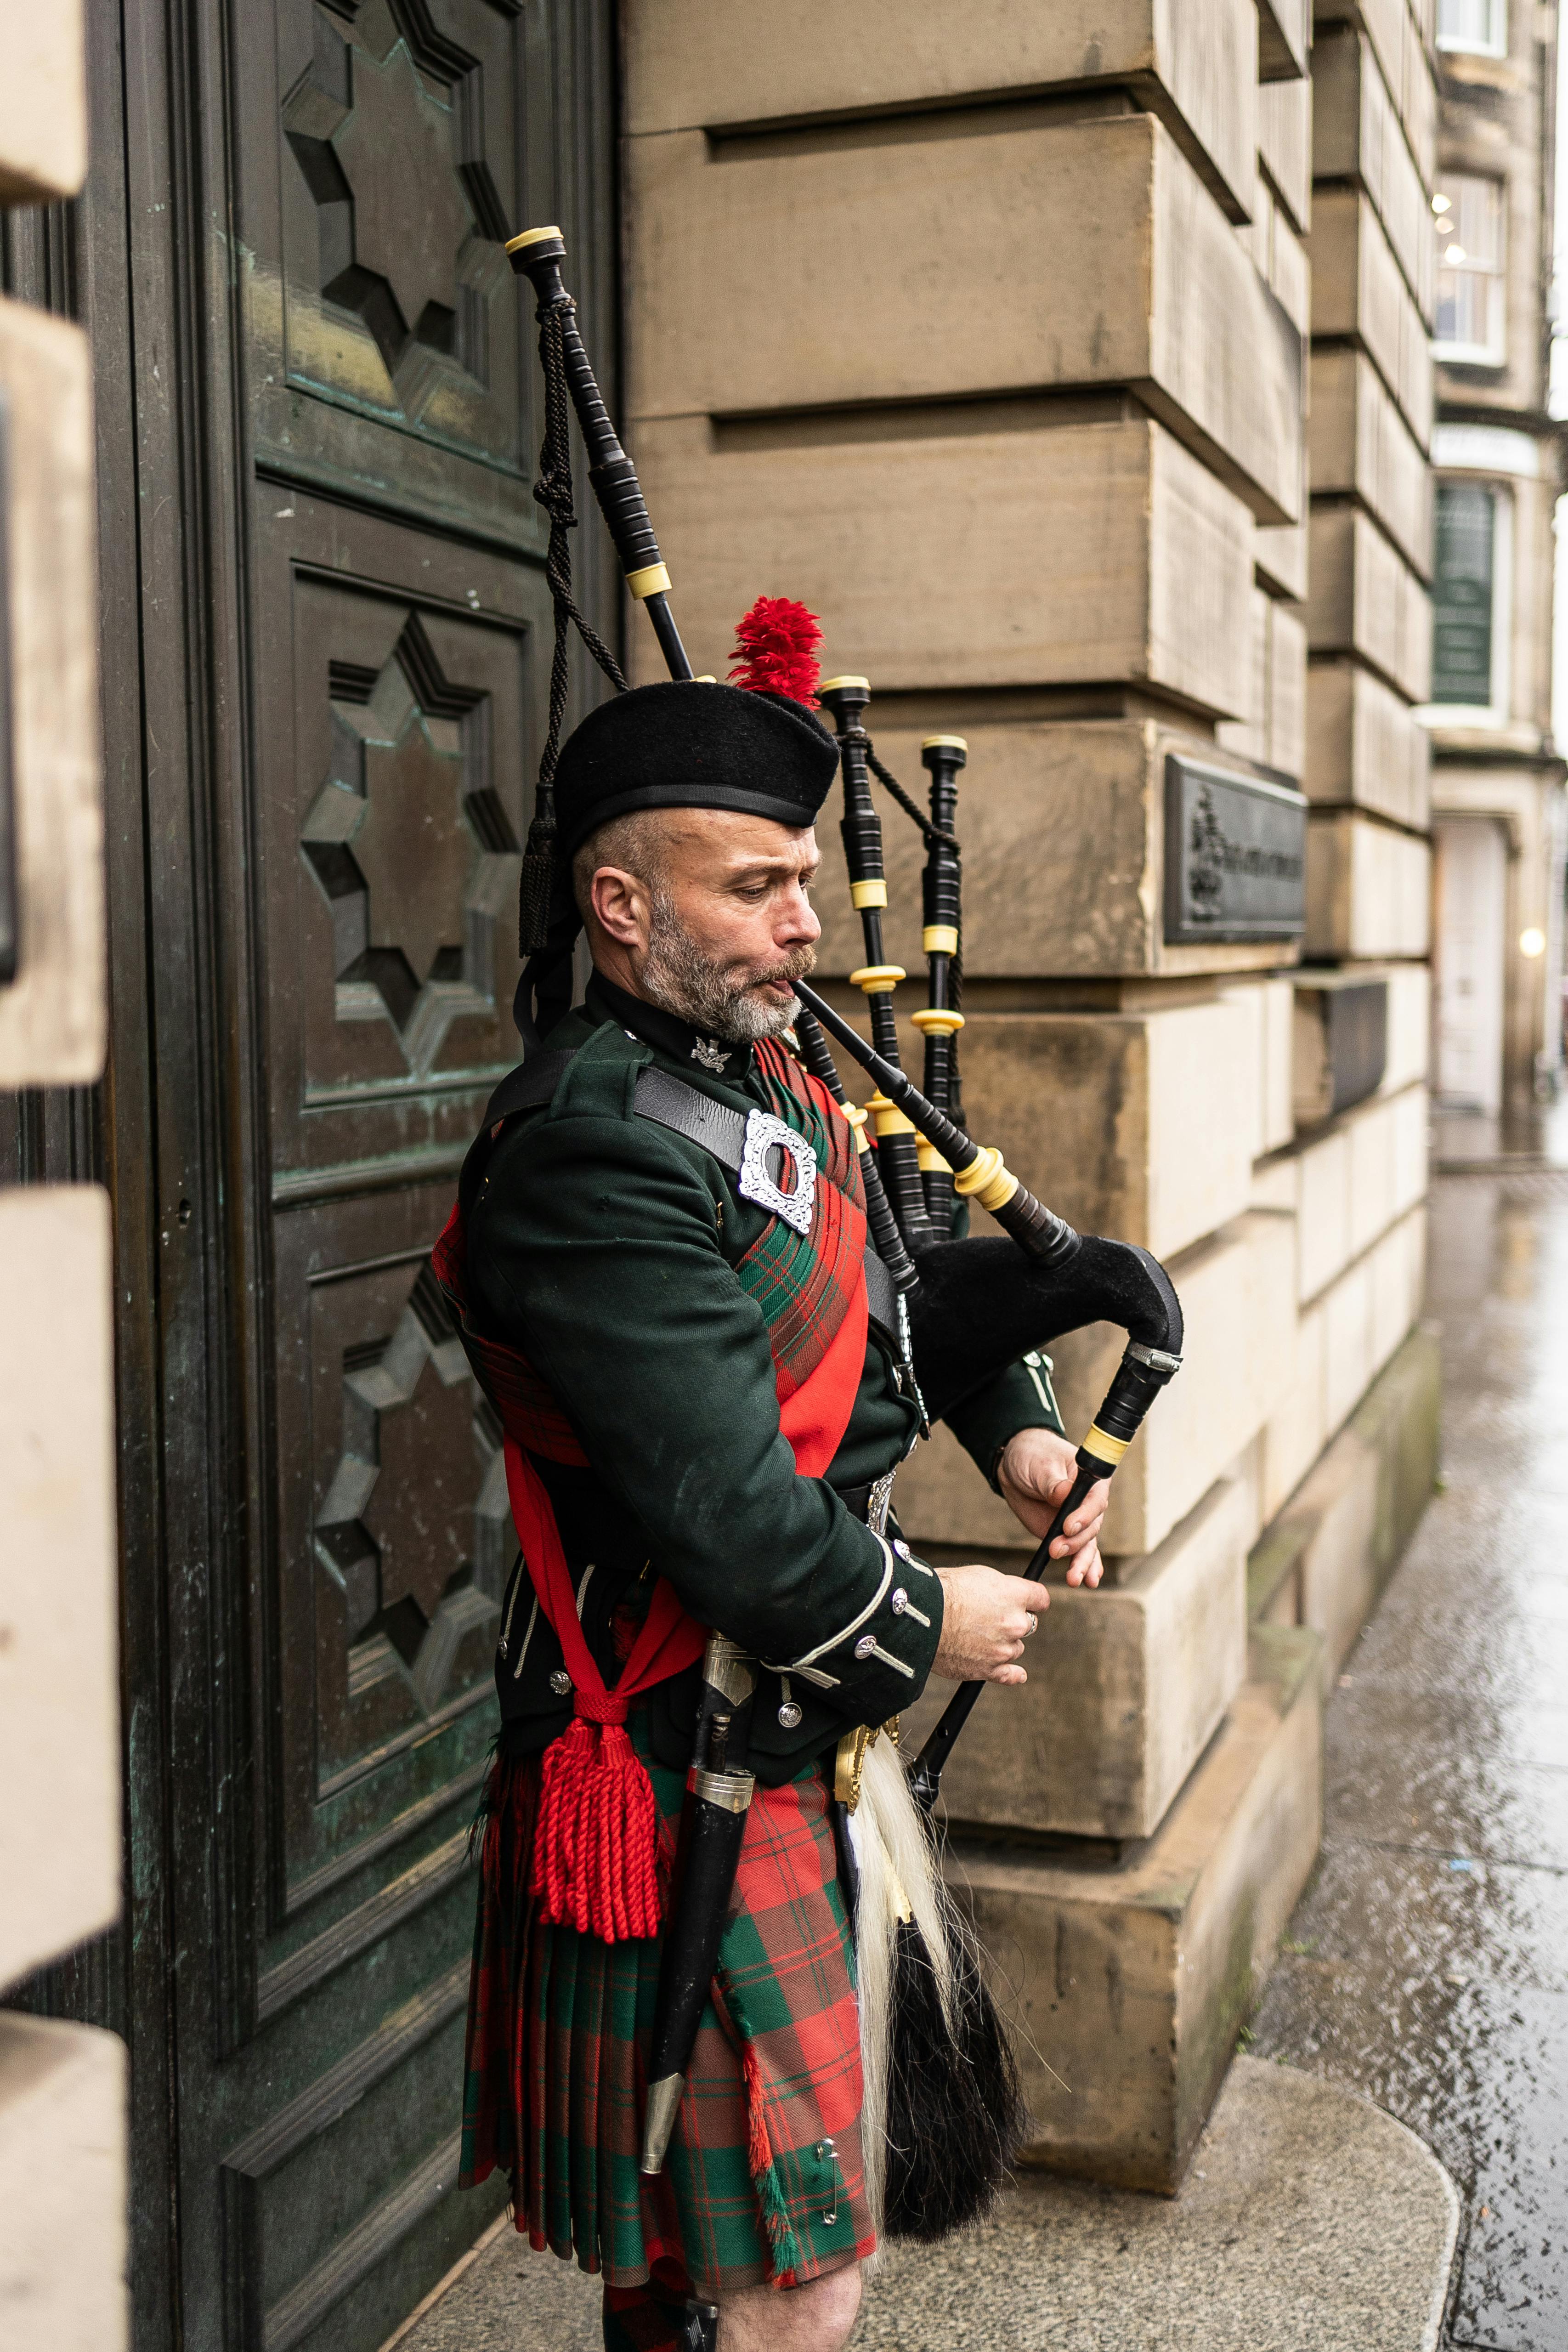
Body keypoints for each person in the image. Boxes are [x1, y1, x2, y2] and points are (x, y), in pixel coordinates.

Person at [438, 658, 1109, 2352]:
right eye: (758, 886)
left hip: (779, 1720)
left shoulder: (759, 1075)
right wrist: (931, 1620)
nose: (808, 922)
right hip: (680, 1733)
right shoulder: (593, 1149)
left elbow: (898, 1283)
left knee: (696, 2261)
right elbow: (735, 1523)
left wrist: (1015, 1429)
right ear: (619, 905)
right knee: (800, 2278)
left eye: (806, 878)